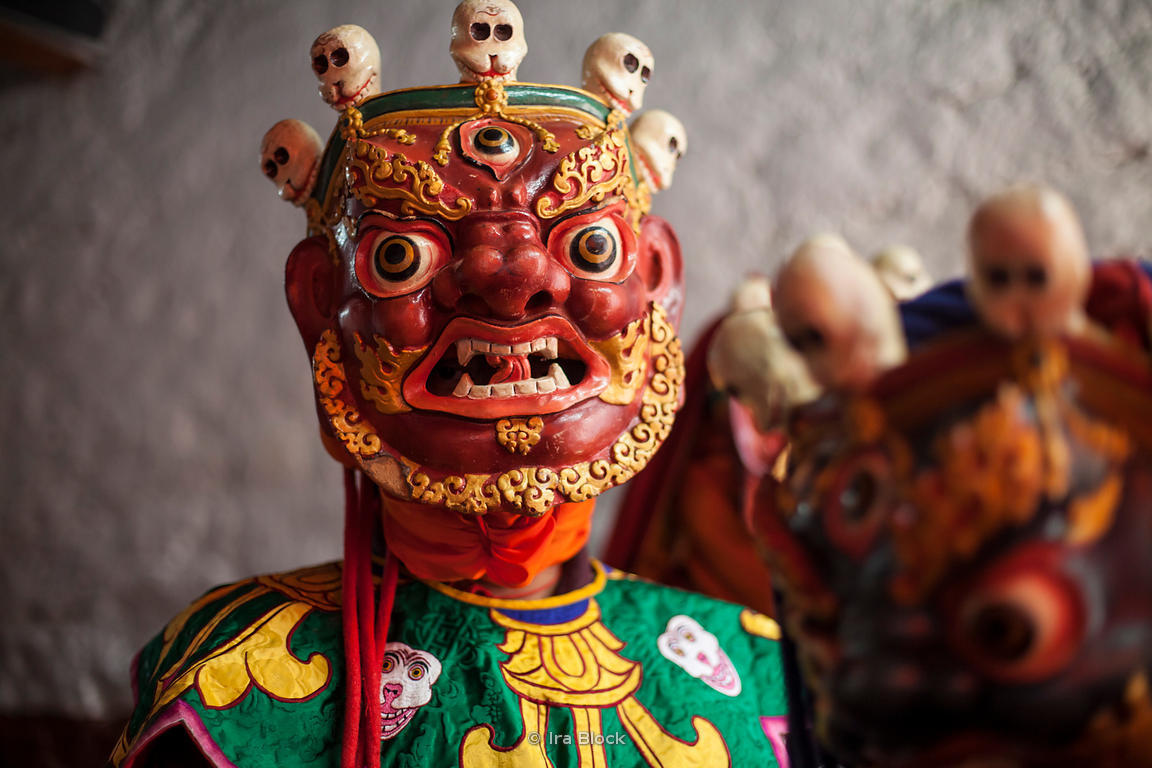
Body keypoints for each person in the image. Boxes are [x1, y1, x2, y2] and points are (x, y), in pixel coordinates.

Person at [109, 5, 791, 767]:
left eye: (591, 246)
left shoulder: (756, 677)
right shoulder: (230, 677)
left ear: (659, 285)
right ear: (319, 305)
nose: (515, 282)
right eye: (401, 257)